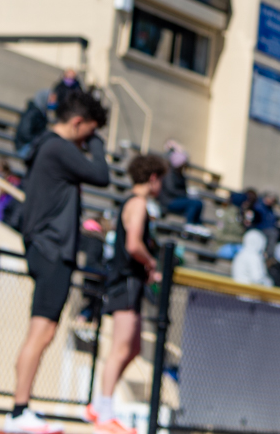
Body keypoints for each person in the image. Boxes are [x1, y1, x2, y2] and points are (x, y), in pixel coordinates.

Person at [8, 89, 111, 434]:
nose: (89, 139)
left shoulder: (49, 148)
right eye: (89, 130)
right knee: (41, 331)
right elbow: (101, 174)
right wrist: (96, 142)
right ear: (79, 123)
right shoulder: (57, 147)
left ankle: (21, 410)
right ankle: (19, 410)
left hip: (46, 248)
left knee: (43, 330)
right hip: (52, 250)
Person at [85, 153, 166, 434]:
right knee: (121, 348)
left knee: (132, 348)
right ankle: (104, 410)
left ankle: (100, 404)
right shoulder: (139, 203)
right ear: (153, 177)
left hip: (129, 281)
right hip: (126, 280)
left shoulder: (133, 202)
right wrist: (151, 262)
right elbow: (133, 245)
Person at [158, 141, 205, 229]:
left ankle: (197, 224)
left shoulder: (181, 175)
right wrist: (185, 195)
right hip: (169, 201)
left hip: (178, 199)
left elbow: (183, 189)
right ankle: (189, 224)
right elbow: (171, 189)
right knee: (193, 203)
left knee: (199, 203)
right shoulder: (169, 174)